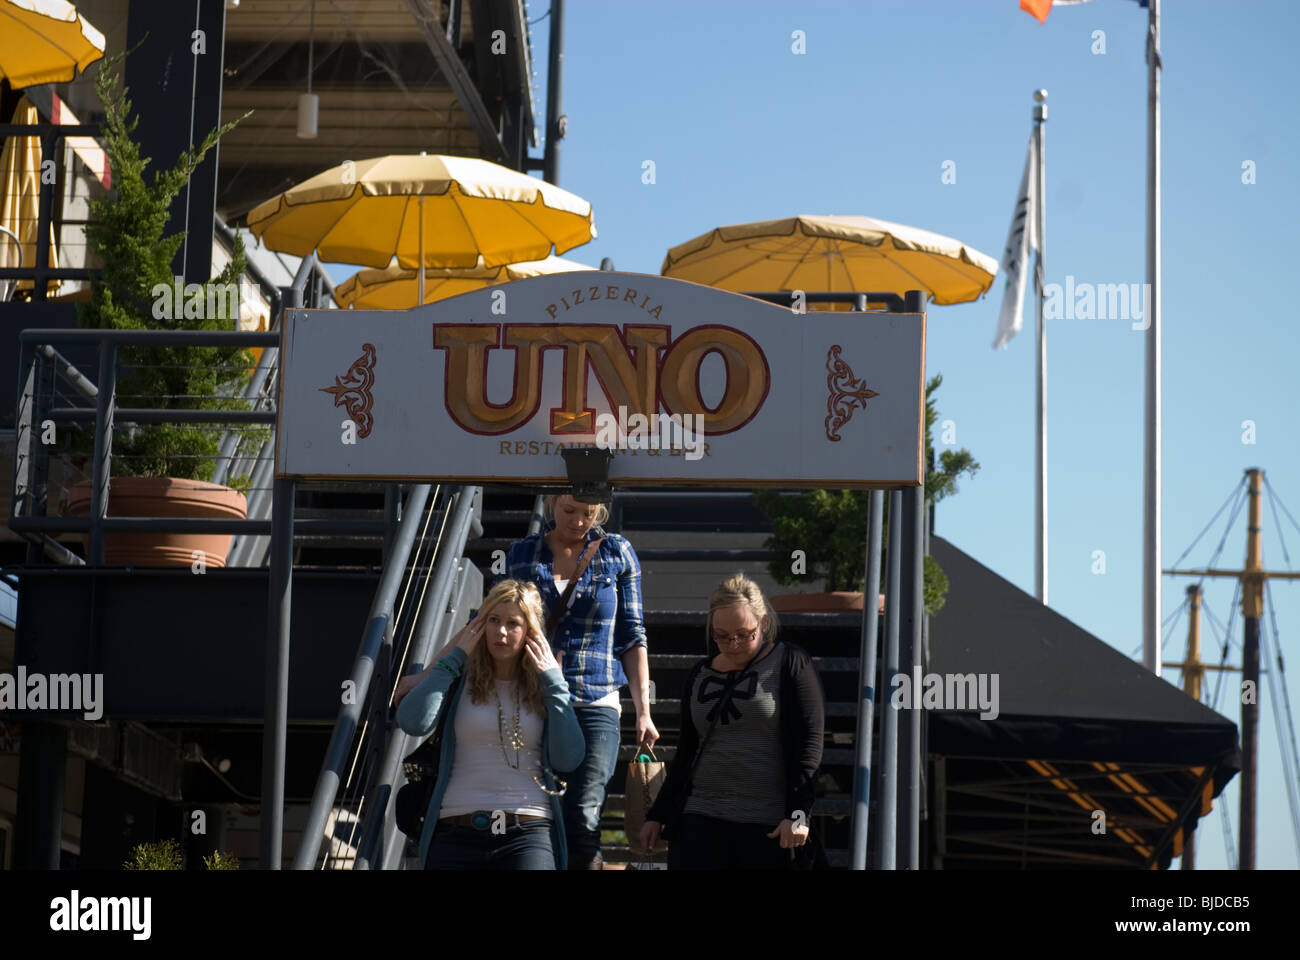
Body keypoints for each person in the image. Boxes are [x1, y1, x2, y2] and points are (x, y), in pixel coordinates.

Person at [495, 492, 656, 869]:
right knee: (534, 812)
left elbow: (633, 635)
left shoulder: (616, 552)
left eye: (588, 513)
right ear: (552, 503)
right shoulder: (521, 553)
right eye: (569, 510)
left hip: (596, 697)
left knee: (584, 814)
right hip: (532, 695)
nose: (578, 521)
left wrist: (643, 711)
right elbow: (492, 623)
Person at [394, 579, 585, 869]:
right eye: (493, 620)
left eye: (513, 623)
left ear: (531, 632)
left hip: (527, 831)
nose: (502, 632)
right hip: (455, 828)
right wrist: (453, 659)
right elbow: (413, 721)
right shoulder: (459, 677)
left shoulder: (547, 685)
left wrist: (554, 682)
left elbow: (568, 758)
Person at [640, 573, 825, 870]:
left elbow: (809, 743)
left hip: (766, 823)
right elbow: (687, 750)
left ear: (763, 624)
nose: (733, 643)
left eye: (743, 633)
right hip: (700, 817)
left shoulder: (789, 663)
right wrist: (658, 815)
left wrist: (799, 813)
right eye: (722, 635)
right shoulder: (700, 673)